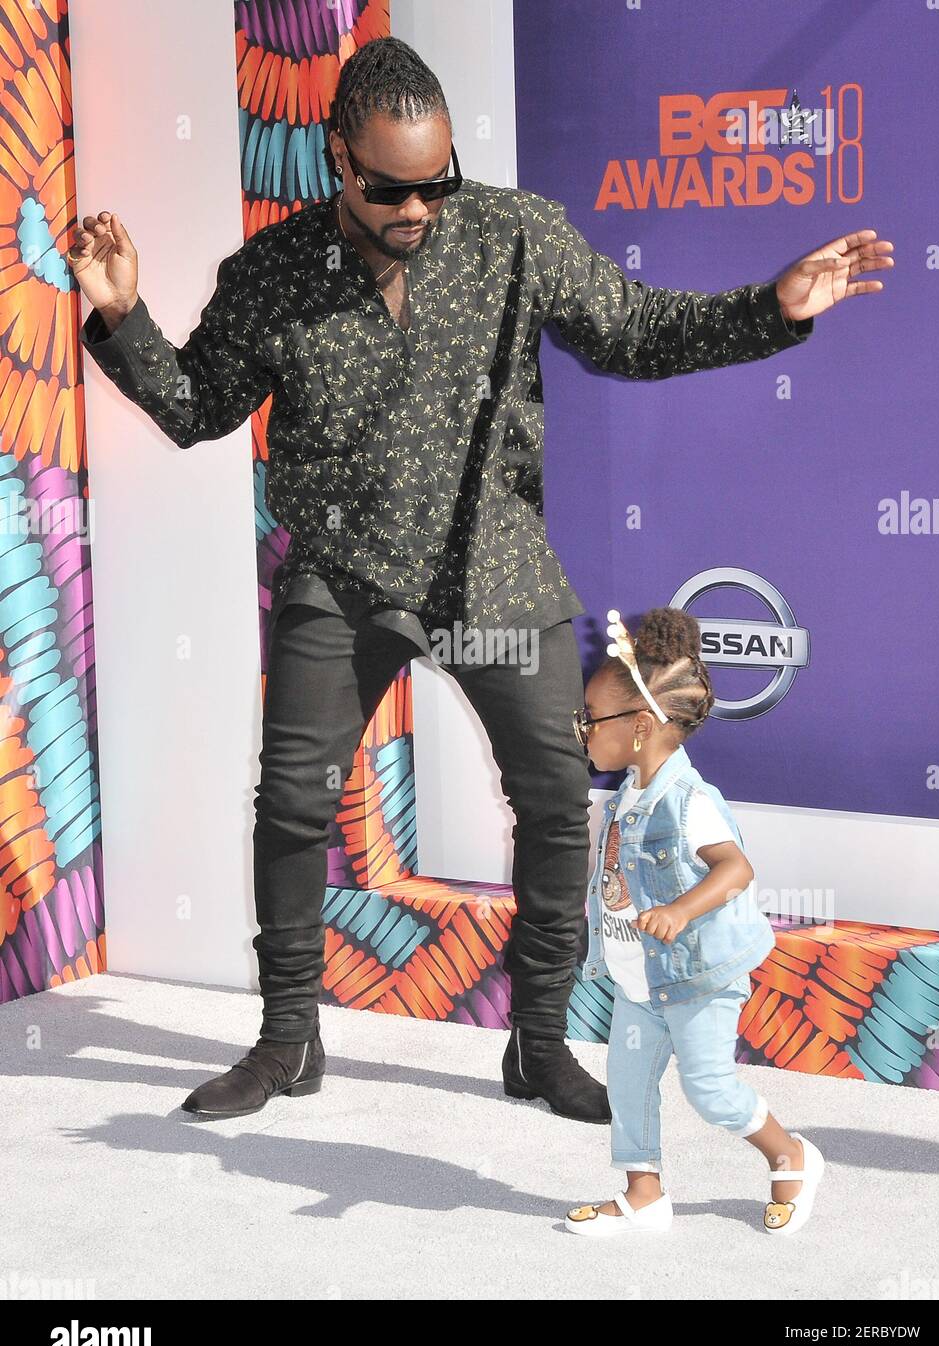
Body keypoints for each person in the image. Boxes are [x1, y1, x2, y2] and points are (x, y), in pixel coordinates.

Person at [70, 36, 892, 1125]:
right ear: (338, 162)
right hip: (345, 577)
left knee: (556, 801)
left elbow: (635, 333)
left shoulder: (513, 234)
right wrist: (124, 316)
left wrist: (772, 307)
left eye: (436, 181)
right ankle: (287, 1041)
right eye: (392, 187)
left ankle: (539, 1045)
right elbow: (196, 408)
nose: (419, 206)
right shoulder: (272, 274)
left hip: (493, 574)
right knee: (291, 803)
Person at [564, 608, 824, 1236]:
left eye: (590, 719)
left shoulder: (690, 801)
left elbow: (734, 869)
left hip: (696, 975)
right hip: (638, 979)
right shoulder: (629, 789)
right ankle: (643, 1196)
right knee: (627, 1089)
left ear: (640, 726)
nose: (581, 729)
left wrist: (679, 911)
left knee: (710, 1090)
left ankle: (789, 1154)